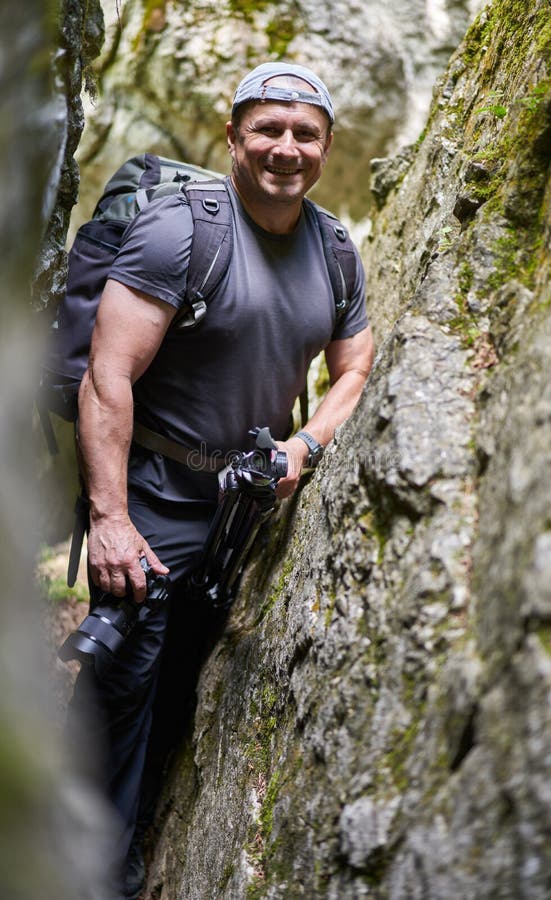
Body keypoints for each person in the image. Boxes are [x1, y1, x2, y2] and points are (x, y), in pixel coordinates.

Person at [67, 61, 374, 898]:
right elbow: (108, 377)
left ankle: (140, 813)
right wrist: (110, 519)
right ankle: (91, 866)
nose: (285, 148)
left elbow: (355, 371)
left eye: (303, 133)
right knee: (122, 683)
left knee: (186, 670)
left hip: (246, 504)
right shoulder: (184, 229)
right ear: (233, 135)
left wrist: (303, 446)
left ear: (326, 145)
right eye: (267, 129)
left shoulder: (335, 249)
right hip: (157, 494)